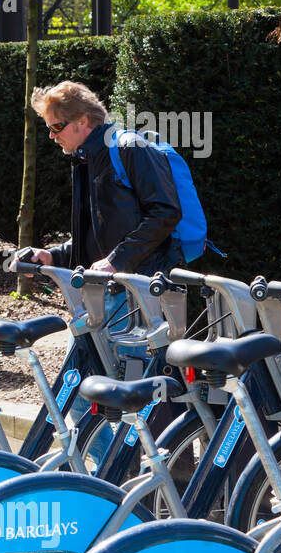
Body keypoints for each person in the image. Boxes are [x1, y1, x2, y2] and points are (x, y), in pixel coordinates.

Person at [26, 82, 183, 446]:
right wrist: (54, 255)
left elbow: (165, 213)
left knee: (134, 397)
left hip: (136, 292)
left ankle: (152, 477)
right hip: (105, 295)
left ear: (83, 121)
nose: (51, 136)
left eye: (55, 127)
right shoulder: (87, 158)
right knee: (79, 395)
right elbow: (98, 236)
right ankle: (112, 475)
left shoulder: (129, 149)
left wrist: (117, 262)